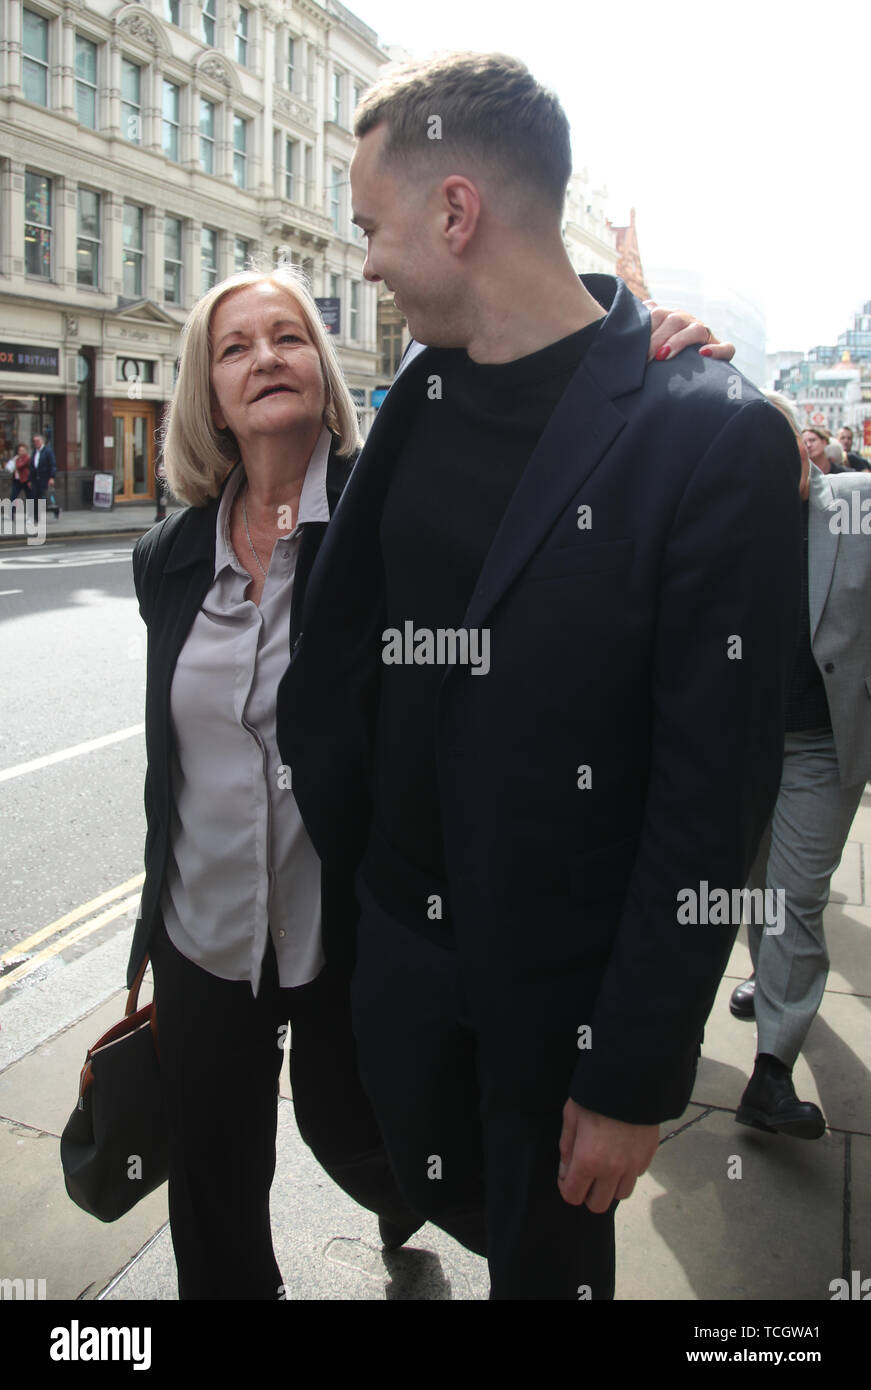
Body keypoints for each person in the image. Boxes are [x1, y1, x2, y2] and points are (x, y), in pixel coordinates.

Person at [277, 51, 803, 1300]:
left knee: (545, 1263)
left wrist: (631, 1075)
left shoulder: (708, 432)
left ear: (454, 212)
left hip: (552, 1003)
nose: (361, 262)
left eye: (370, 227)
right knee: (383, 1155)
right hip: (390, 947)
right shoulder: (416, 388)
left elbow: (708, 801)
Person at [125, 264, 422, 1300]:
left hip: (345, 928)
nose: (265, 359)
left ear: (322, 364)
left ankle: (409, 1214)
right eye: (236, 346)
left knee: (373, 1139)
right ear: (210, 393)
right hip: (202, 930)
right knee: (212, 1183)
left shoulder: (387, 532)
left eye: (288, 337)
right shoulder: (167, 558)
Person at [729, 393, 871, 1138]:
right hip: (743, 745)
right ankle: (768, 979)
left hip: (821, 746)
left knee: (796, 896)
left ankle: (770, 1072)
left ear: (805, 450)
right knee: (754, 893)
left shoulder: (855, 505)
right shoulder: (724, 521)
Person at [30, 433, 56, 506]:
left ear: (42, 441)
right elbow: (32, 466)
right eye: (34, 441)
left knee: (43, 496)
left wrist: (51, 477)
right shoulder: (34, 452)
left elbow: (52, 465)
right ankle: (34, 516)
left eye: (37, 441)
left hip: (44, 478)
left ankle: (41, 515)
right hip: (35, 478)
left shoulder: (48, 451)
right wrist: (30, 479)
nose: (36, 443)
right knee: (34, 496)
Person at [9, 443, 32, 516]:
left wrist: (14, 461)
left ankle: (31, 514)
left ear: (25, 451)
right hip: (17, 481)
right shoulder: (16, 458)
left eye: (23, 450)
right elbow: (10, 467)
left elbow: (20, 465)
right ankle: (11, 514)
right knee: (13, 496)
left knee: (29, 497)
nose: (21, 452)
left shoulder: (27, 458)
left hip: (25, 480)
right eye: (20, 450)